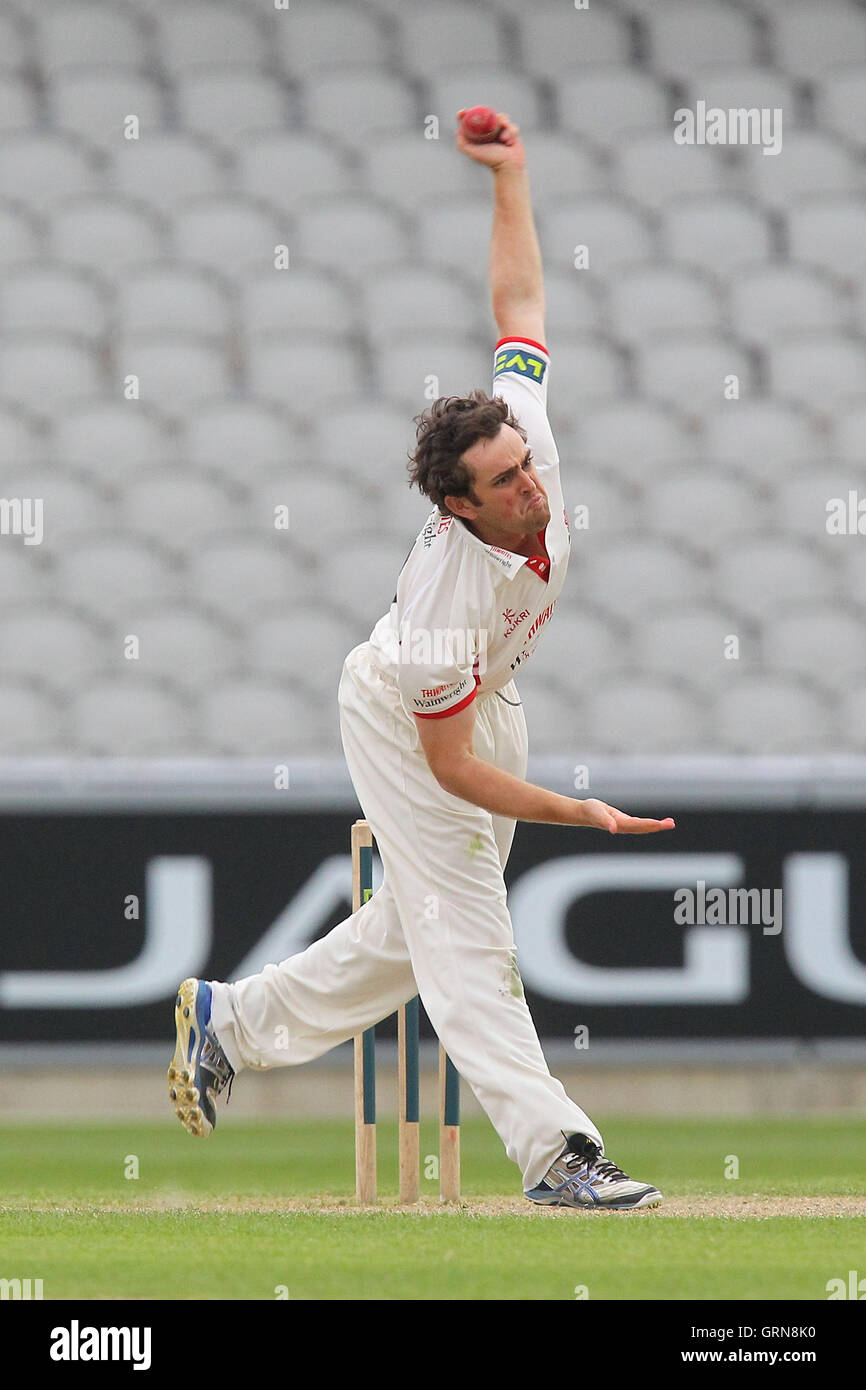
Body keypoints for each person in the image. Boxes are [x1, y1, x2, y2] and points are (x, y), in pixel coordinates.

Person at [168, 112, 675, 1210]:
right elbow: (447, 769)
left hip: (488, 702)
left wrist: (511, 176)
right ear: (457, 505)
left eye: (522, 465)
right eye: (502, 482)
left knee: (419, 926)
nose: (530, 485)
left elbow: (520, 309)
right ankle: (558, 1155)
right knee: (467, 931)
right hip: (409, 716)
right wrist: (574, 812)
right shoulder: (445, 586)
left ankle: (233, 1022)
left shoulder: (524, 433)